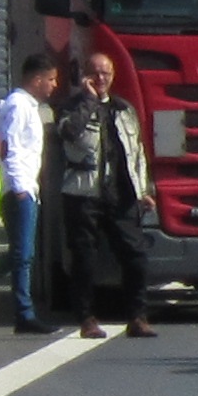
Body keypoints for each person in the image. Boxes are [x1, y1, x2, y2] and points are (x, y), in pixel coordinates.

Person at [39, 41, 155, 338]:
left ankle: (138, 316)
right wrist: (89, 100)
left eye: (106, 73)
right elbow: (69, 133)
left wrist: (143, 189)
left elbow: (137, 152)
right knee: (83, 259)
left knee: (136, 255)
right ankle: (86, 318)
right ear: (85, 76)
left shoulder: (123, 109)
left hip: (120, 194)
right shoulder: (71, 107)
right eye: (95, 73)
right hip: (82, 194)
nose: (101, 78)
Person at [0, 45, 58, 333]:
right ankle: (24, 312)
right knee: (22, 254)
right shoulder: (18, 106)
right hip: (19, 189)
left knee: (21, 252)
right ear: (37, 78)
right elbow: (11, 147)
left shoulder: (27, 106)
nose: (54, 85)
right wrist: (19, 186)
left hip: (27, 188)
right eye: (51, 79)